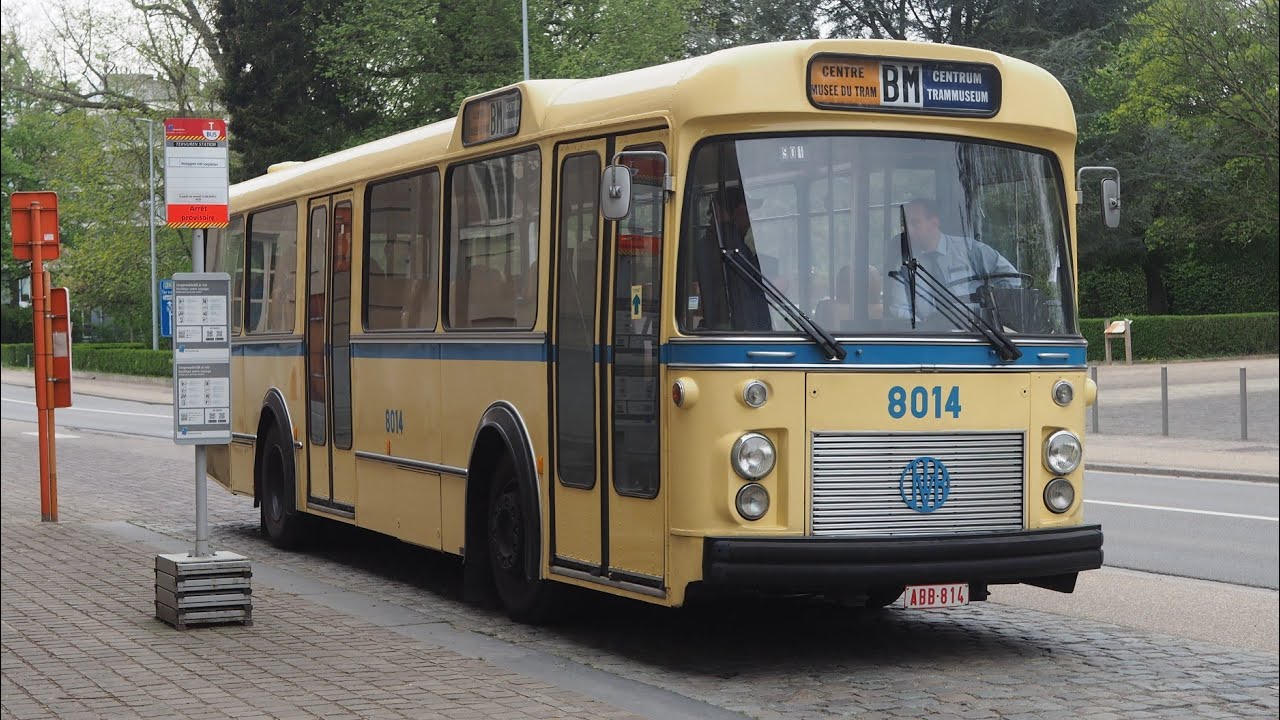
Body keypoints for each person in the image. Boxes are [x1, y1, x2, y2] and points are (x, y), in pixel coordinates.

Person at [886, 198, 1020, 323]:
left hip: (978, 335)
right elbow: (899, 308)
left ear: (934, 223)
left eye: (915, 223)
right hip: (930, 339)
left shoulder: (971, 250)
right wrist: (926, 327)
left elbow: (1012, 279)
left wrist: (990, 308)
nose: (908, 230)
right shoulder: (904, 264)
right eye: (906, 224)